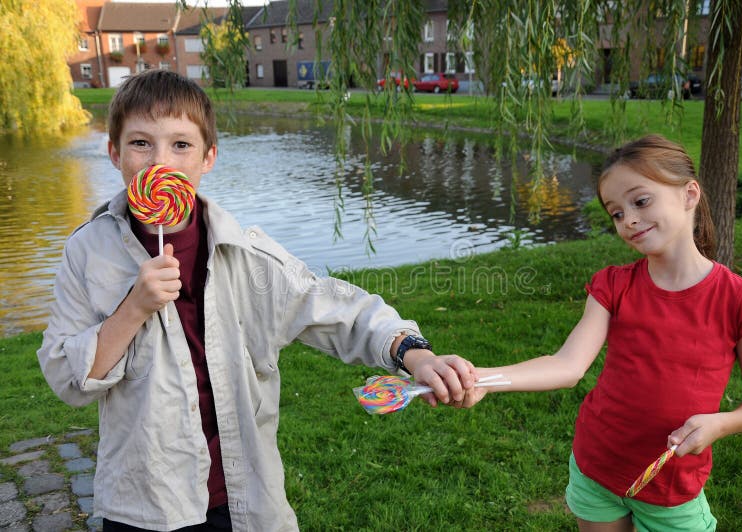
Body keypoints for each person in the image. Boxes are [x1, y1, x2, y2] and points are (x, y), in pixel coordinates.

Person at [37, 69, 479, 532]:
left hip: (242, 498)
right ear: (114, 153)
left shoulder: (247, 256)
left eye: (181, 145)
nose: (160, 162)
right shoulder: (86, 253)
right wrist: (133, 309)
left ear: (209, 158)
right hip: (144, 505)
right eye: (141, 143)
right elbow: (67, 378)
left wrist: (415, 353)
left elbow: (335, 308)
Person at [471, 135, 742, 531]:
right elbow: (567, 366)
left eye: (640, 201)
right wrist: (482, 378)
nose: (628, 220)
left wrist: (720, 423)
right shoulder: (613, 286)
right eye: (616, 213)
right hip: (597, 466)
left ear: (689, 195)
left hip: (671, 485)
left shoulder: (741, 301)